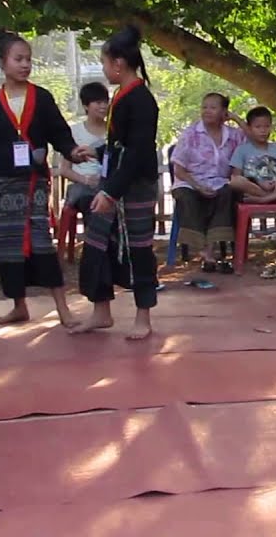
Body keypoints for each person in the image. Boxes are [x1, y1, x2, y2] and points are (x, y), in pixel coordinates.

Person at [0, 32, 95, 327]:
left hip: (33, 183)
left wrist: (73, 151)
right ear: (2, 63)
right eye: (18, 59)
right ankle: (19, 306)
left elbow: (59, 133)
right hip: (2, 183)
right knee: (7, 244)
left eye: (28, 59)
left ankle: (63, 309)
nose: (25, 65)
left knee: (42, 241)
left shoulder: (41, 97)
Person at [70, 26, 161, 340]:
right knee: (97, 241)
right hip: (115, 181)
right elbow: (119, 143)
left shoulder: (142, 100)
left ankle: (143, 316)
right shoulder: (123, 96)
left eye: (105, 62)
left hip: (134, 185)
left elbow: (136, 153)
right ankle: (101, 311)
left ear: (119, 64)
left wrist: (110, 191)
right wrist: (95, 150)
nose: (104, 68)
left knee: (138, 248)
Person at [170, 93, 247, 273]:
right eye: (204, 107)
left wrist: (235, 118)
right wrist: (197, 186)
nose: (207, 111)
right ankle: (206, 253)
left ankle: (210, 252)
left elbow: (254, 138)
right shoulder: (190, 134)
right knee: (187, 196)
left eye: (213, 107)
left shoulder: (233, 135)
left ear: (223, 111)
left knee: (227, 192)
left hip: (220, 182)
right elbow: (179, 170)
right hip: (190, 182)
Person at [57, 82, 109, 218]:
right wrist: (85, 180)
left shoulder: (114, 131)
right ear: (86, 105)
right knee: (91, 201)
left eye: (105, 102)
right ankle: (93, 238)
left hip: (107, 185)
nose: (103, 106)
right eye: (98, 102)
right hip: (81, 185)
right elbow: (64, 170)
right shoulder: (74, 132)